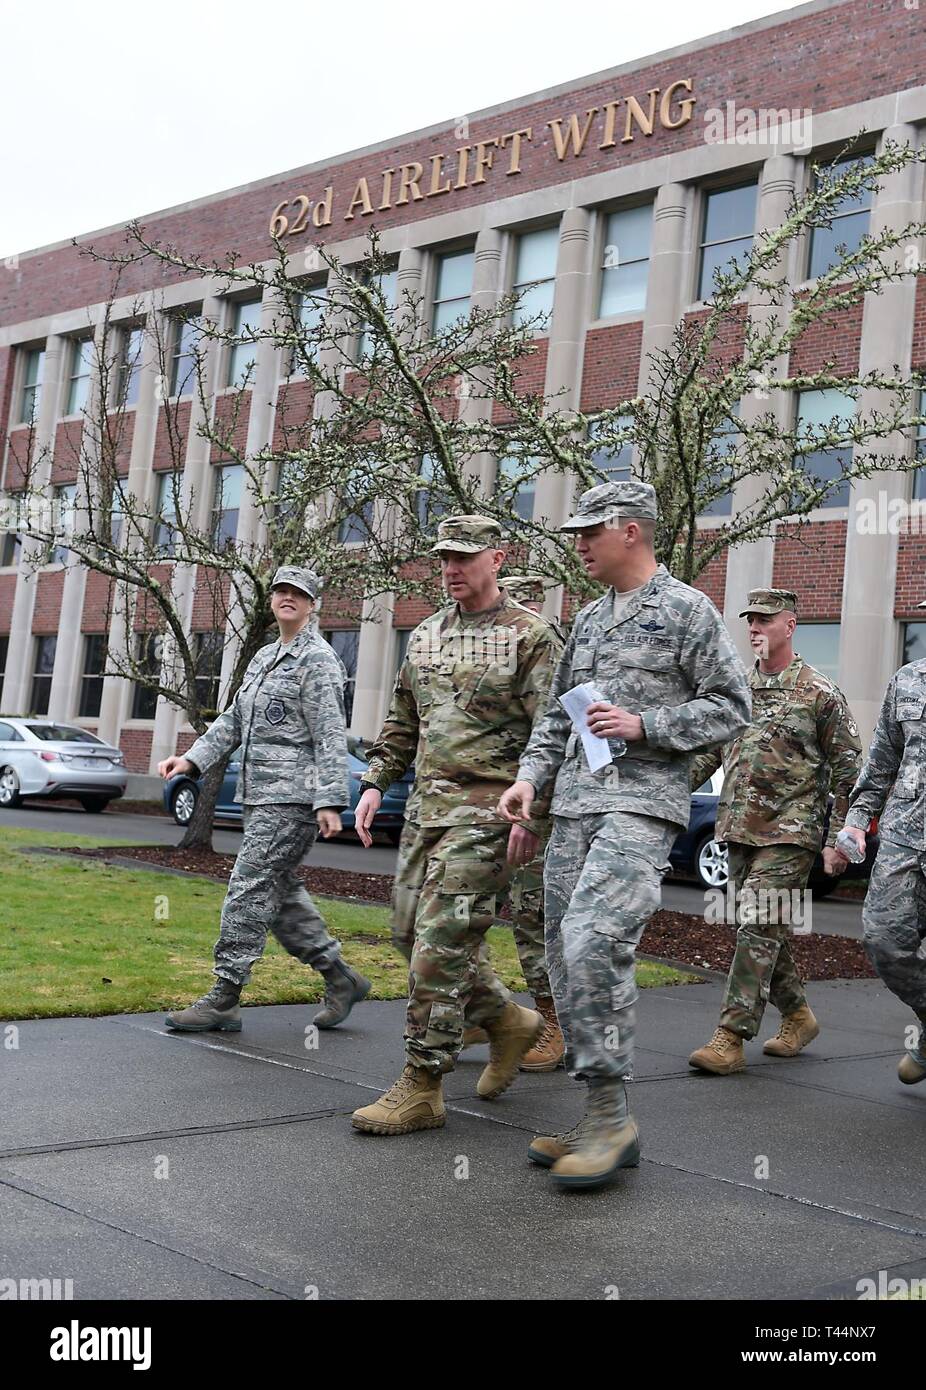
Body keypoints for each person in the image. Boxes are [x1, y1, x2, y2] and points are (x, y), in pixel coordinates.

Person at [498, 481, 751, 1190]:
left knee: (593, 942)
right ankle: (598, 1112)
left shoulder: (686, 610)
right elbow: (556, 718)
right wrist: (529, 779)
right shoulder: (590, 619)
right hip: (575, 808)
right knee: (558, 953)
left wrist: (650, 727)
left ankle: (612, 1117)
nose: (577, 544)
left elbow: (733, 706)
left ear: (631, 531)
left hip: (640, 808)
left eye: (589, 532)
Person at [350, 517, 562, 1135]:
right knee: (407, 933)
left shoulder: (531, 636)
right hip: (426, 812)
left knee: (441, 943)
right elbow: (402, 721)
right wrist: (374, 784)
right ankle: (505, 1019)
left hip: (492, 815)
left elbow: (552, 735)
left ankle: (423, 1083)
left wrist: (535, 815)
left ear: (497, 558)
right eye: (444, 557)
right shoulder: (425, 635)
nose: (452, 568)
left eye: (465, 557)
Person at [157, 566, 370, 1033]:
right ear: (272, 600)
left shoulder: (319, 661)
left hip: (292, 800)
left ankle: (225, 998)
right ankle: (341, 978)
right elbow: (233, 719)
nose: (288, 598)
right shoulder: (264, 657)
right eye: (281, 591)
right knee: (279, 895)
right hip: (260, 795)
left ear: (313, 604)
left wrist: (330, 800)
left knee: (248, 890)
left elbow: (331, 735)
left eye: (299, 593)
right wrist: (191, 761)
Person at [687, 589, 862, 1075]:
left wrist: (838, 840)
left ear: (790, 625)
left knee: (759, 921)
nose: (755, 628)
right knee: (767, 929)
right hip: (740, 830)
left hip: (791, 833)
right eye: (751, 621)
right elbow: (708, 753)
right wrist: (658, 788)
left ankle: (730, 1035)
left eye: (765, 620)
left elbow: (850, 771)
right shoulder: (737, 690)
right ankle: (799, 1017)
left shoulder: (818, 692)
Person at [461, 573, 566, 1071]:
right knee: (469, 915)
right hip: (480, 810)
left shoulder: (542, 649)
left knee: (531, 920)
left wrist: (534, 815)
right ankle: (486, 1014)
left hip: (528, 810)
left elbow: (553, 738)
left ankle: (552, 1022)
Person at [841, 604, 926, 1085]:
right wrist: (857, 819)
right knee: (884, 940)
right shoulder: (909, 680)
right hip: (904, 839)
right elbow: (881, 763)